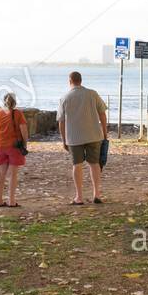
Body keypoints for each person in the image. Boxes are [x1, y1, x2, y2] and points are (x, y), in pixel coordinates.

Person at [57, 71, 108, 206]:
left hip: (74, 137)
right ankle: (96, 194)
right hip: (94, 135)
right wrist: (105, 132)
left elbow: (61, 121)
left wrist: (63, 139)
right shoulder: (92, 94)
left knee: (77, 165)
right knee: (94, 164)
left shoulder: (65, 98)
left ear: (70, 81)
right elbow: (102, 113)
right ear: (81, 80)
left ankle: (79, 197)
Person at [0, 93, 28, 208]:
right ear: (14, 102)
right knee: (13, 174)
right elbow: (24, 131)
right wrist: (25, 144)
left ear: (4, 102)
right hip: (14, 147)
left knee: (1, 172)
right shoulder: (18, 114)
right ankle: (12, 201)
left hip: (0, 145)